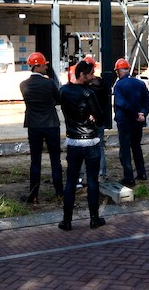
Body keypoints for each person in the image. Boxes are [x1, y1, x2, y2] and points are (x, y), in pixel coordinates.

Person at [58, 59, 106, 231]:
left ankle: (67, 220)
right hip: (90, 141)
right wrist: (92, 117)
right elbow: (100, 117)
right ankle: (94, 219)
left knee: (70, 181)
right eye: (90, 73)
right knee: (92, 180)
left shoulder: (63, 91)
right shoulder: (88, 93)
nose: (92, 77)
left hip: (73, 140)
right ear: (82, 74)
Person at [19, 52, 64, 203]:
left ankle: (34, 194)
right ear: (37, 66)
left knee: (35, 161)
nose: (46, 67)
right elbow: (59, 99)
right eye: (44, 64)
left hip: (33, 125)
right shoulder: (49, 83)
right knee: (55, 160)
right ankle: (59, 192)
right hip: (51, 124)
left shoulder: (23, 84)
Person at [112, 58, 149, 186]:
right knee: (136, 147)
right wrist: (142, 113)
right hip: (138, 122)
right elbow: (148, 100)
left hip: (125, 122)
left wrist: (135, 114)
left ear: (118, 71)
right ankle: (142, 173)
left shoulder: (119, 85)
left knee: (125, 150)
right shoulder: (140, 83)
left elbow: (121, 103)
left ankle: (129, 177)